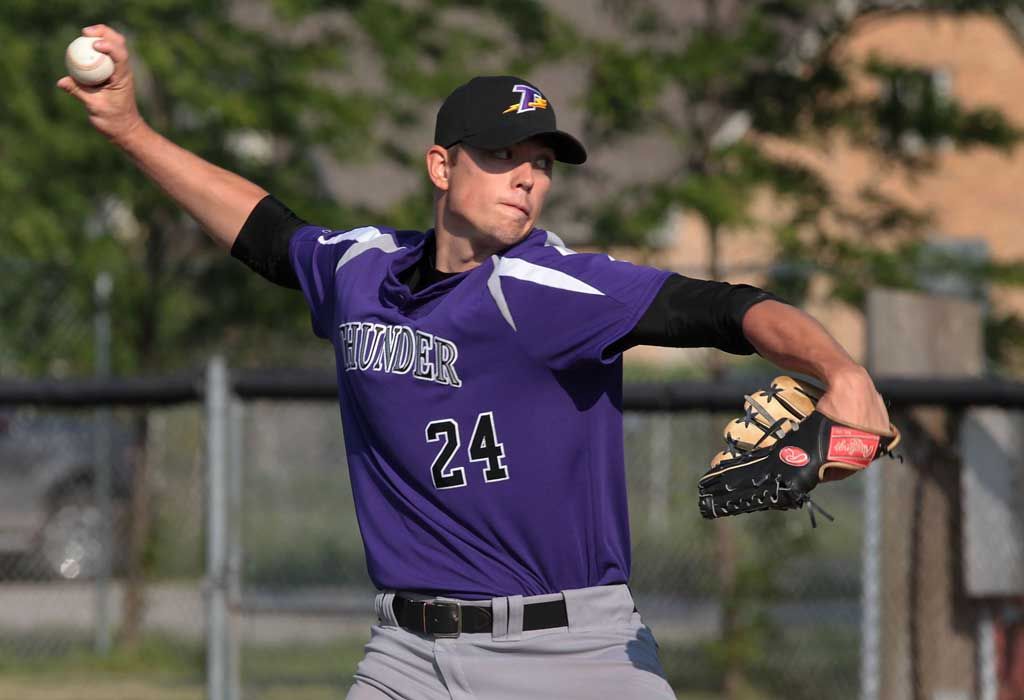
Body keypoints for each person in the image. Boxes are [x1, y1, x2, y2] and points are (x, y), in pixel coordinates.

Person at [60, 24, 893, 699]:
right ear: (441, 166)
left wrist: (843, 374)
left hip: (571, 656)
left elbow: (727, 307)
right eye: (502, 156)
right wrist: (130, 132)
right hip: (406, 658)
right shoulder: (361, 271)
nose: (526, 178)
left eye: (541, 163)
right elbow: (267, 233)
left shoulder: (550, 288)